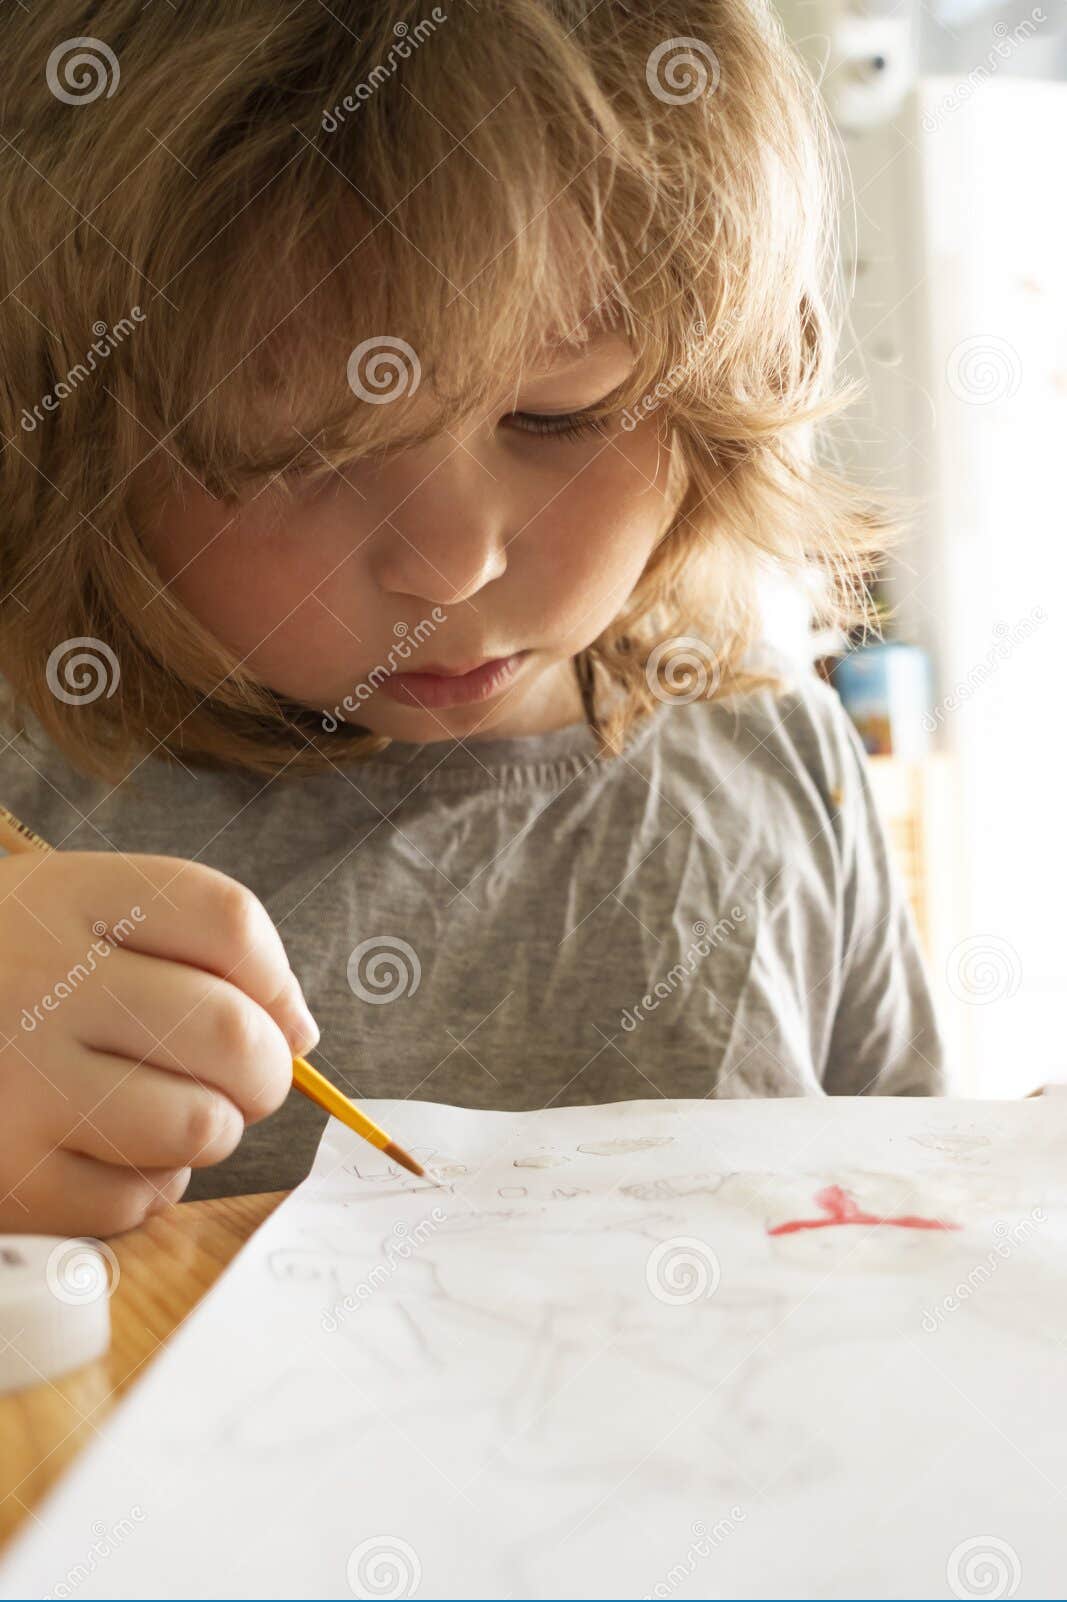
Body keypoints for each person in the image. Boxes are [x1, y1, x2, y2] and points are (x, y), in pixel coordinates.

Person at [0, 1, 943, 1234]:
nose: (450, 565)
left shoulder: (780, 755)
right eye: (297, 453)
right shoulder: (35, 793)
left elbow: (910, 1211)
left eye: (558, 417)